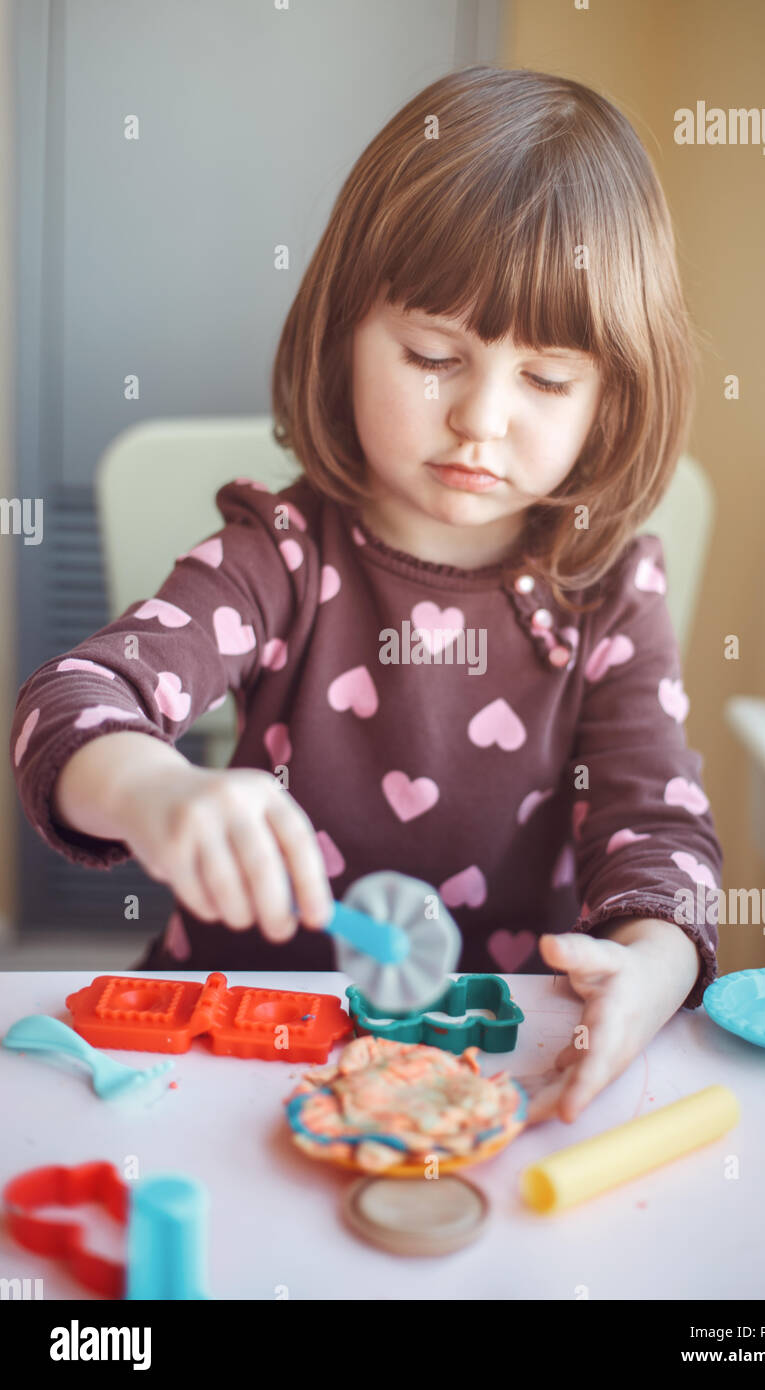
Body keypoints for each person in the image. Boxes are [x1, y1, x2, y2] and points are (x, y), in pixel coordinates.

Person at [9, 66, 723, 1123]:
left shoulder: (606, 590)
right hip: (224, 1054)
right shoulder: (280, 553)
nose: (480, 417)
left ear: (609, 397)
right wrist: (153, 792)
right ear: (345, 329)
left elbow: (657, 826)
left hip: (486, 1069)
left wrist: (653, 963)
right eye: (434, 354)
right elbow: (70, 701)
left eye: (544, 379)